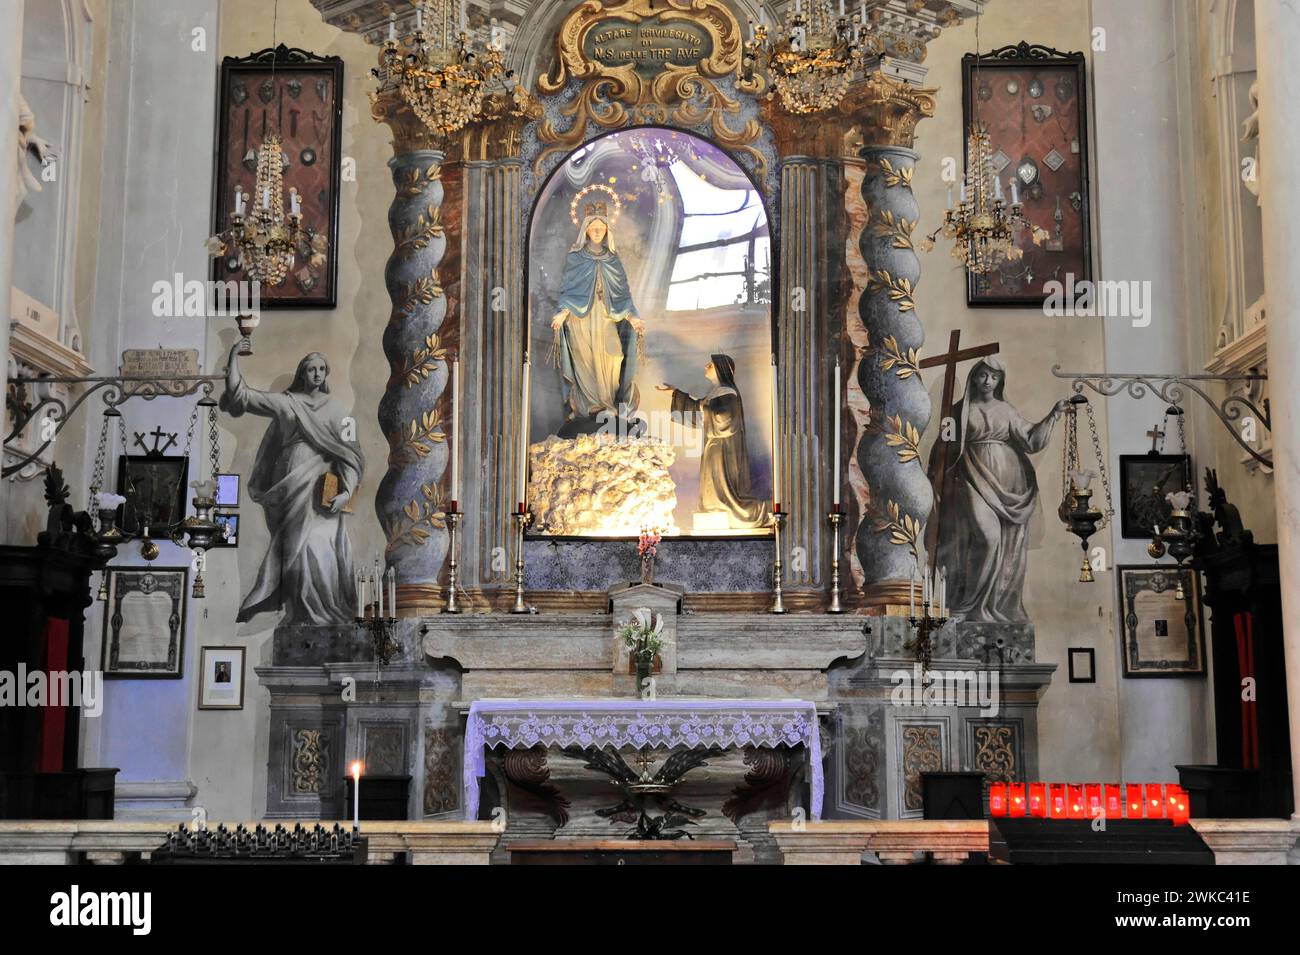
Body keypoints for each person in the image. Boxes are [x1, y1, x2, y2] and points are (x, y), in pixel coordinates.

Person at [222, 342, 363, 626]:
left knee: (319, 547)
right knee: (294, 552)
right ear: (302, 373)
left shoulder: (338, 411)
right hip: (290, 486)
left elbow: (352, 453)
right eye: (312, 369)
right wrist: (234, 355)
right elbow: (244, 396)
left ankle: (325, 613)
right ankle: (300, 612)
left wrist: (346, 492)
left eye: (322, 369)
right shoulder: (287, 402)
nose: (317, 374)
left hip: (321, 490)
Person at [929, 357, 1069, 623]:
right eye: (983, 375)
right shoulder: (959, 410)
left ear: (1000, 380)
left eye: (993, 376)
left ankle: (990, 606)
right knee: (988, 537)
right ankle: (966, 606)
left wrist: (1053, 414)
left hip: (1009, 486)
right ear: (974, 376)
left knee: (1004, 545)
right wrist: (937, 474)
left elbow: (1030, 439)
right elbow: (943, 447)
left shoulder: (1006, 410)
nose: (987, 381)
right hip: (970, 477)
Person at [550, 201, 644, 436]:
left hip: (606, 317)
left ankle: (609, 405)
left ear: (607, 230)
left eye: (601, 226)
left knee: (614, 357)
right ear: (586, 230)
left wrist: (632, 316)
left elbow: (623, 293)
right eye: (593, 227)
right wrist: (563, 312)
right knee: (585, 363)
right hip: (580, 319)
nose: (597, 231)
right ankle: (590, 407)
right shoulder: (576, 258)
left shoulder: (613, 259)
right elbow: (568, 289)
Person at [657, 355, 770, 529]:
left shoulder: (728, 392)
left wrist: (704, 406)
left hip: (725, 448)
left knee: (722, 483)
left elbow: (725, 417)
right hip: (714, 446)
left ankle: (758, 511)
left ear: (720, 368)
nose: (705, 366)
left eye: (710, 364)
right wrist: (675, 394)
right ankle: (714, 507)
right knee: (712, 483)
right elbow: (698, 411)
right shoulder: (717, 392)